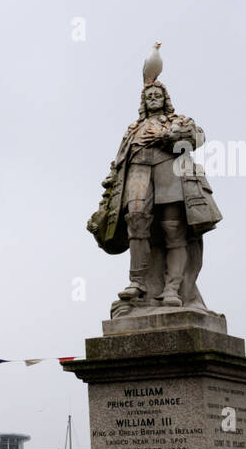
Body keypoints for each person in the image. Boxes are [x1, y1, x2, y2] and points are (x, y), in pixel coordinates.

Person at [88, 74, 221, 317]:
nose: (153, 99)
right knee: (136, 219)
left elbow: (198, 137)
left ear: (165, 99)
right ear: (143, 102)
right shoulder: (133, 128)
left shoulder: (179, 120)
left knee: (172, 227)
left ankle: (173, 287)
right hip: (138, 169)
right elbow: (120, 158)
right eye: (149, 96)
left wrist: (167, 136)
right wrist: (112, 178)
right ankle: (137, 282)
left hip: (168, 168)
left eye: (158, 95)